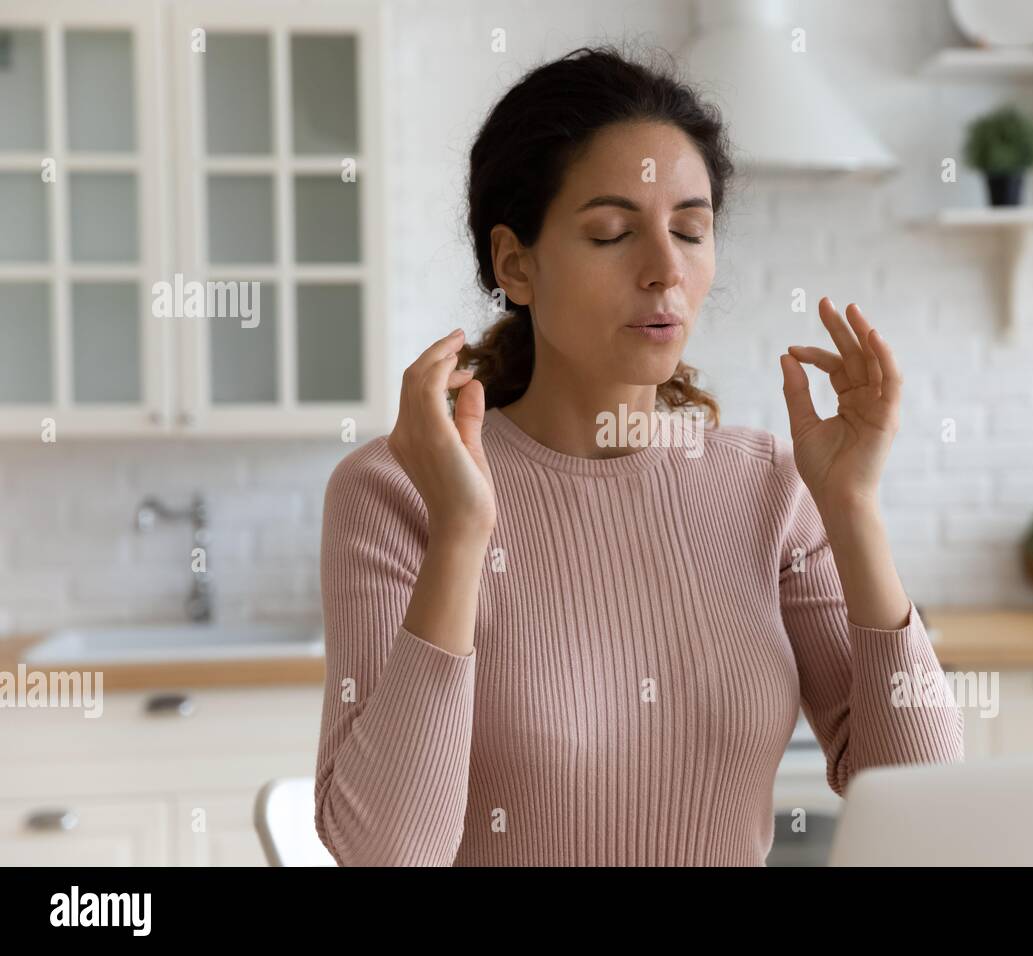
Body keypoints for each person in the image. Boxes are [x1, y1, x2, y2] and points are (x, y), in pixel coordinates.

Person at [313, 44, 962, 867]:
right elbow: (387, 854)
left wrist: (855, 512)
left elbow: (923, 803)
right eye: (613, 233)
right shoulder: (397, 492)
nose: (666, 272)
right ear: (516, 263)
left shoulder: (765, 485)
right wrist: (462, 534)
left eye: (691, 230)